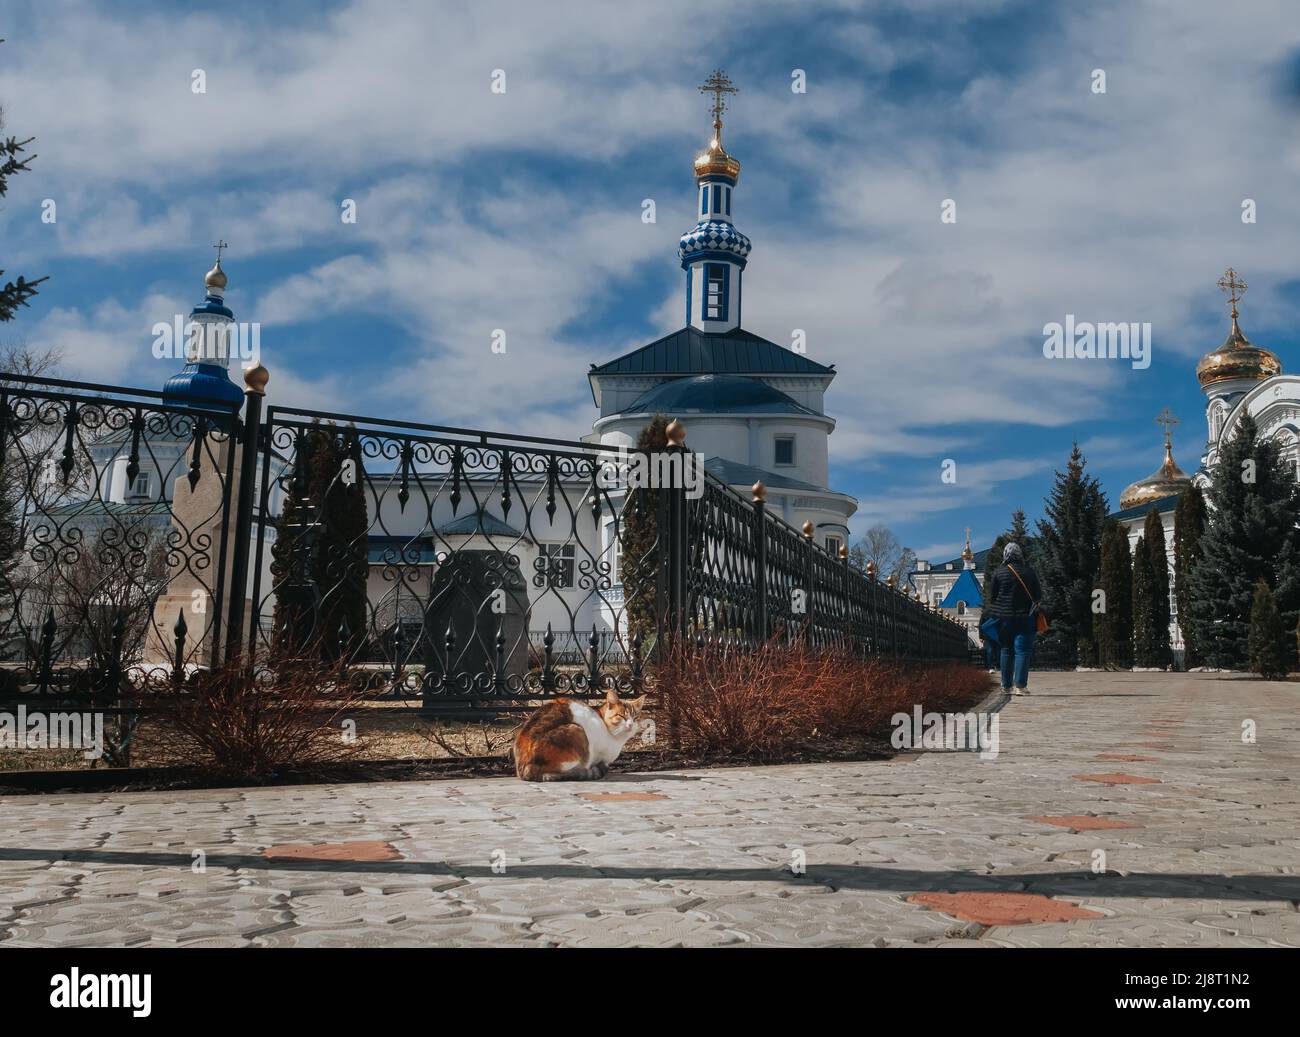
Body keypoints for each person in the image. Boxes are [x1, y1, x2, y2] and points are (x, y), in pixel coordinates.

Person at [982, 541, 1044, 695]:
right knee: (1023, 651)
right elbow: (1038, 596)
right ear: (1020, 555)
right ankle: (1021, 687)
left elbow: (992, 597)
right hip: (1025, 618)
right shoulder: (1029, 572)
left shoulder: (998, 572)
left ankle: (1006, 686)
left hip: (1003, 619)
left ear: (1005, 555)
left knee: (1006, 650)